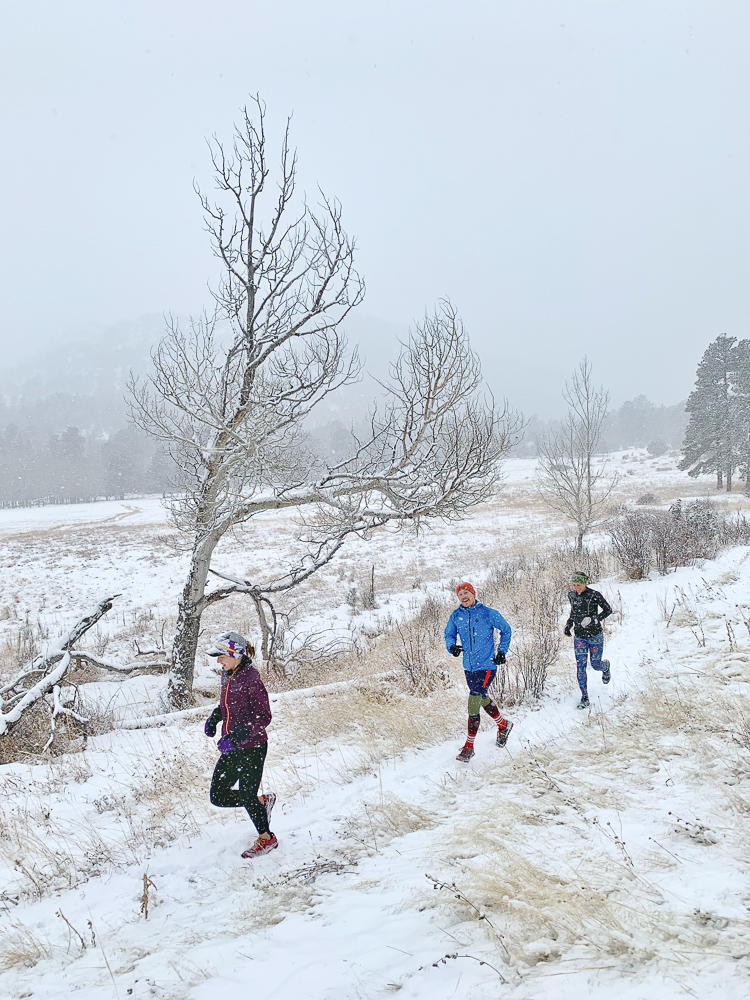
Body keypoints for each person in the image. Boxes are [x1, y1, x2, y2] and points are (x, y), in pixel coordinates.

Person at [203, 630, 278, 857]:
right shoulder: (228, 674)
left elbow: (263, 716)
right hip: (232, 747)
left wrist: (238, 736)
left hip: (252, 748)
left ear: (236, 654)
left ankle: (267, 839)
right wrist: (215, 717)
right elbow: (227, 705)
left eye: (222, 656)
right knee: (218, 796)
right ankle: (261, 802)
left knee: (246, 795)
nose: (218, 661)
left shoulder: (251, 679)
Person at [444, 582, 513, 762]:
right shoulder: (456, 616)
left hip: (487, 665)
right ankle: (504, 726)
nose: (464, 596)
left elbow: (506, 630)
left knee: (474, 699)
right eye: (460, 594)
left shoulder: (488, 613)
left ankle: (469, 746)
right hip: (469, 666)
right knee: (481, 698)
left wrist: (501, 652)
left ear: (473, 594)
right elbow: (449, 634)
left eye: (467, 593)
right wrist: (452, 647)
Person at [564, 573, 612, 709]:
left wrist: (594, 619)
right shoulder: (571, 595)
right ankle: (585, 697)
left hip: (595, 635)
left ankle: (605, 667)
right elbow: (573, 612)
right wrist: (568, 625)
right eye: (574, 585)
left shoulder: (594, 595)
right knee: (581, 667)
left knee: (595, 664)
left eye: (578, 585)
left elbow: (608, 610)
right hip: (579, 637)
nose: (576, 588)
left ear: (585, 583)